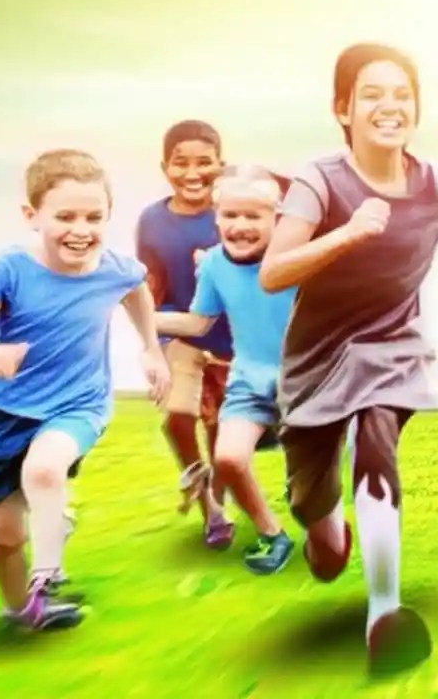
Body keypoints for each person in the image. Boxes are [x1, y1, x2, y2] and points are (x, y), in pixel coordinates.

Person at [259, 42, 438, 676]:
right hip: (316, 362)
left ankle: (385, 615)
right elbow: (272, 272)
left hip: (393, 347)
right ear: (342, 109)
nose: (389, 106)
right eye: (372, 94)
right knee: (321, 542)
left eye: (402, 94)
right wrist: (347, 234)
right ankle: (326, 527)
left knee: (378, 440)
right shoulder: (321, 182)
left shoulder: (437, 182)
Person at [0, 149, 170, 630]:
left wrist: (151, 348)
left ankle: (45, 578)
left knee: (46, 469)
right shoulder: (7, 268)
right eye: (65, 216)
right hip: (4, 414)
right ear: (32, 216)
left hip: (78, 404)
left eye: (94, 217)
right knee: (3, 537)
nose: (81, 229)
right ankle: (20, 612)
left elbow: (137, 289)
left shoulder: (115, 267)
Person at [156, 165, 297, 574]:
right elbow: (199, 323)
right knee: (230, 459)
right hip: (250, 381)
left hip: (305, 383)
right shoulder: (216, 264)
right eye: (230, 215)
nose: (240, 225)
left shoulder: (295, 261)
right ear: (216, 217)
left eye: (254, 216)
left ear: (278, 220)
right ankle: (274, 535)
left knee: (311, 490)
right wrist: (141, 315)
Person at [135, 120, 236, 549]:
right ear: (165, 167)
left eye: (204, 163)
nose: (193, 173)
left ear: (222, 165)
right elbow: (149, 285)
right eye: (181, 164)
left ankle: (215, 509)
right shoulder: (153, 220)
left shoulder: (233, 211)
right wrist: (150, 348)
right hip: (179, 331)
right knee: (178, 413)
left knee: (222, 432)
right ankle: (197, 477)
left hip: (233, 339)